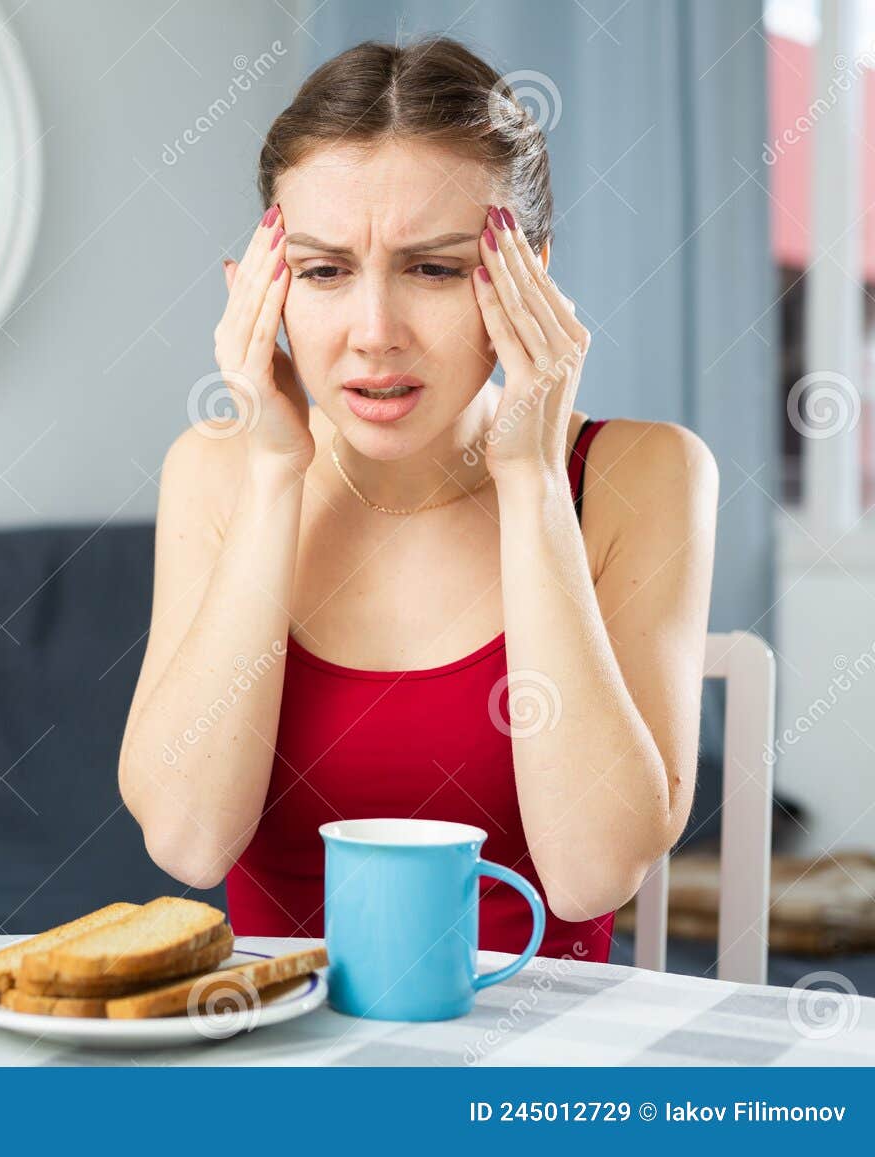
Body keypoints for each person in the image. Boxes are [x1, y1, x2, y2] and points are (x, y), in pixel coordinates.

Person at [117, 37, 718, 962]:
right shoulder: (217, 471)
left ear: (532, 282)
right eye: (322, 271)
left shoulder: (646, 474)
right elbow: (190, 843)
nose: (373, 334)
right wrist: (277, 471)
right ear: (266, 292)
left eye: (432, 269)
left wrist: (528, 478)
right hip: (281, 1065)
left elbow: (593, 873)